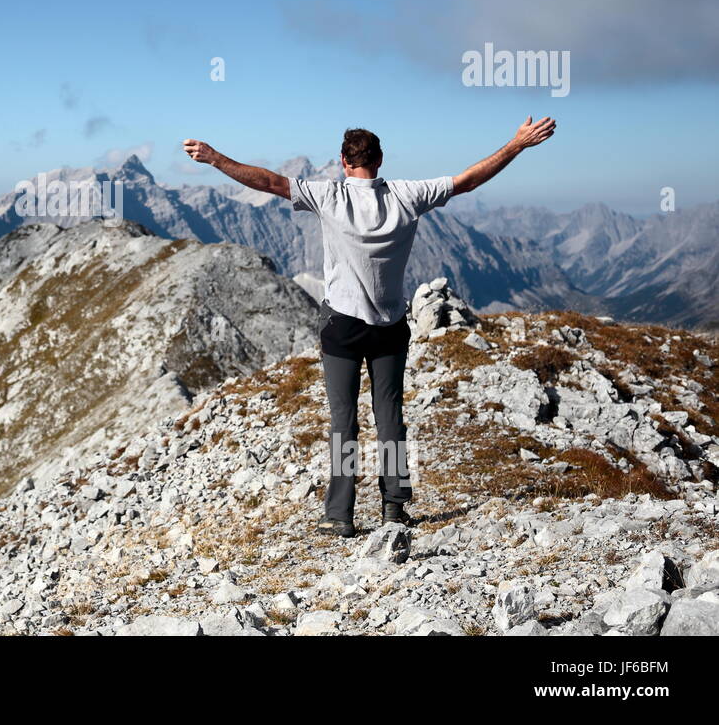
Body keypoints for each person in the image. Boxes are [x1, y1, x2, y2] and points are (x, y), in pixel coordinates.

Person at [182, 117, 557, 536]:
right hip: (390, 326)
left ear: (344, 162)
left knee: (344, 423)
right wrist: (517, 144)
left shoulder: (328, 195)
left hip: (341, 326)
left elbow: (268, 182)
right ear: (379, 160)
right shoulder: (407, 195)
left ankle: (339, 515)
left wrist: (214, 159)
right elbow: (468, 180)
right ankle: (394, 508)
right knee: (390, 418)